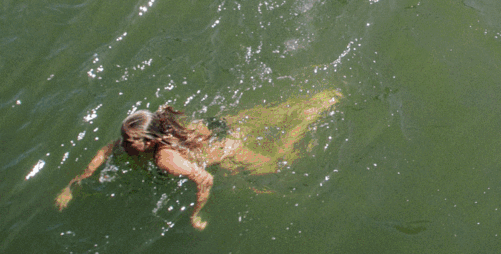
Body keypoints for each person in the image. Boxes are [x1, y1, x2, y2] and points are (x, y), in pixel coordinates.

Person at [56, 92, 339, 231]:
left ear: (149, 141)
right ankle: (317, 98)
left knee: (279, 162)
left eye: (129, 141)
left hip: (225, 147)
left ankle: (308, 117)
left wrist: (195, 213)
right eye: (123, 138)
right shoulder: (144, 135)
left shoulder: (165, 158)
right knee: (272, 113)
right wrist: (73, 185)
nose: (122, 144)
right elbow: (105, 152)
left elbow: (205, 178)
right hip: (211, 127)